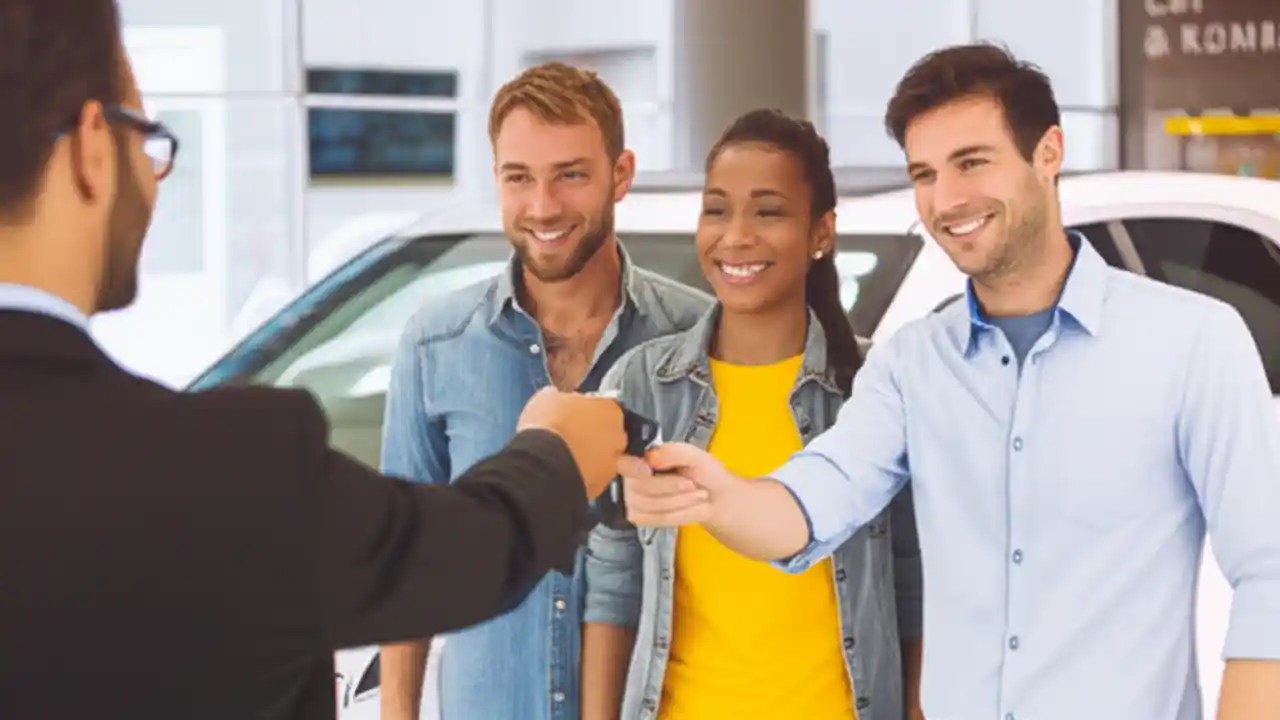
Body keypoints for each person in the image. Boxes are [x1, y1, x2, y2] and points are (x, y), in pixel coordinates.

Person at [0, 2, 632, 718]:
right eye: (148, 140)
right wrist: (554, 451)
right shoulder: (228, 468)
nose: (154, 178)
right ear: (91, 147)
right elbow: (452, 553)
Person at [622, 43, 1280, 720]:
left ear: (1048, 152)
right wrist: (718, 496)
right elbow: (813, 502)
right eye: (925, 173)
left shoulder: (1193, 342)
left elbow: (1270, 572)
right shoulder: (911, 365)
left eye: (971, 163)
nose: (946, 198)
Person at [377, 62, 711, 720]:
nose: (543, 206)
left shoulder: (697, 338)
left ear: (621, 174)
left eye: (571, 175)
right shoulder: (436, 343)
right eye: (519, 178)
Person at [580, 109, 924, 720]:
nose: (735, 236)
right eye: (717, 209)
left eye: (768, 211)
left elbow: (912, 584)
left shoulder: (876, 388)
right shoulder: (643, 385)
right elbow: (613, 585)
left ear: (821, 232)